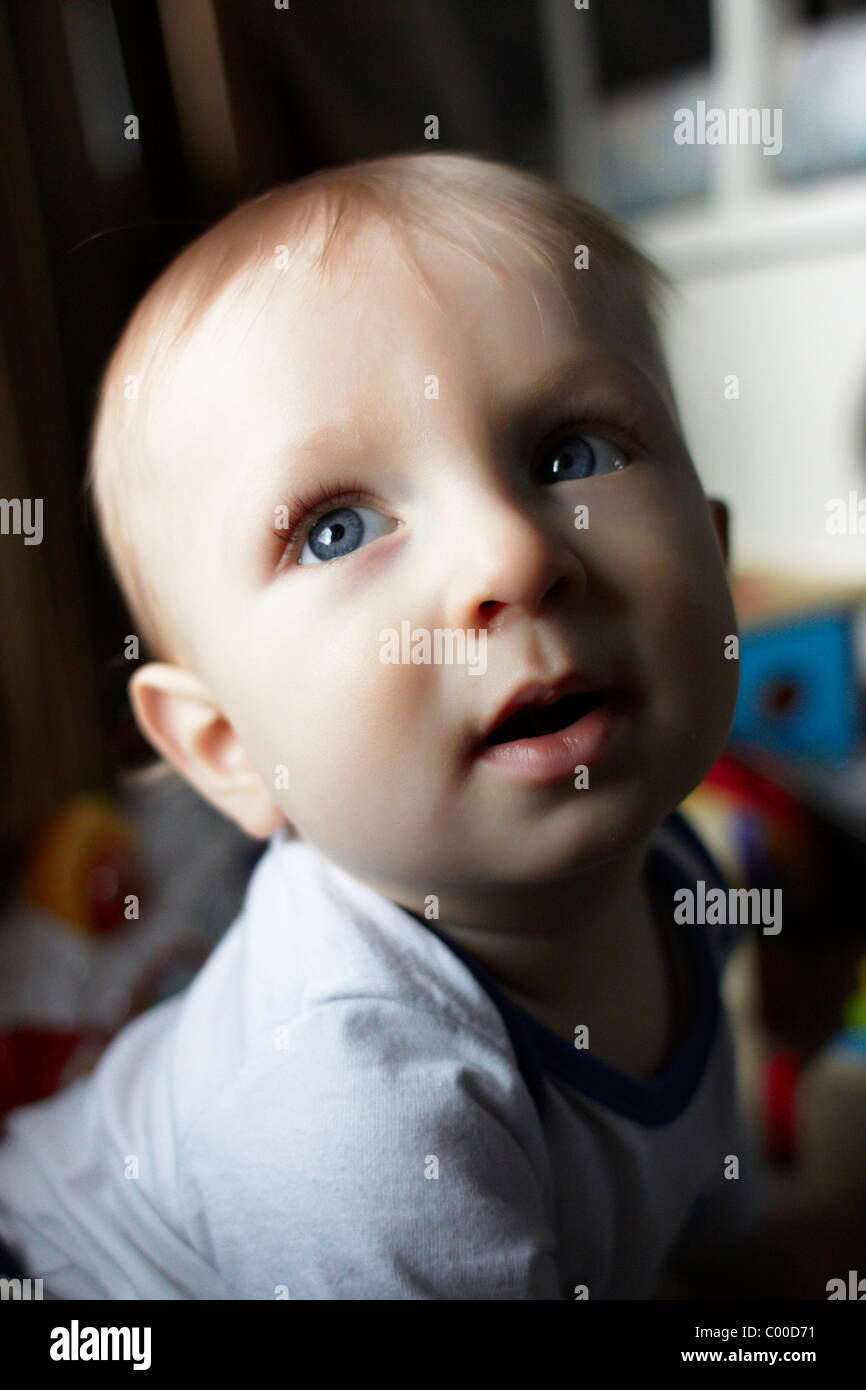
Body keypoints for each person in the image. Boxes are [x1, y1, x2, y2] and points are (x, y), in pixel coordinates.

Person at [0, 151, 766, 1298]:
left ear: (714, 546)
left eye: (571, 454)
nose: (511, 556)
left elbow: (706, 1212)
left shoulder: (677, 876)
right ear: (224, 750)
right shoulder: (351, 1095)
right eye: (335, 529)